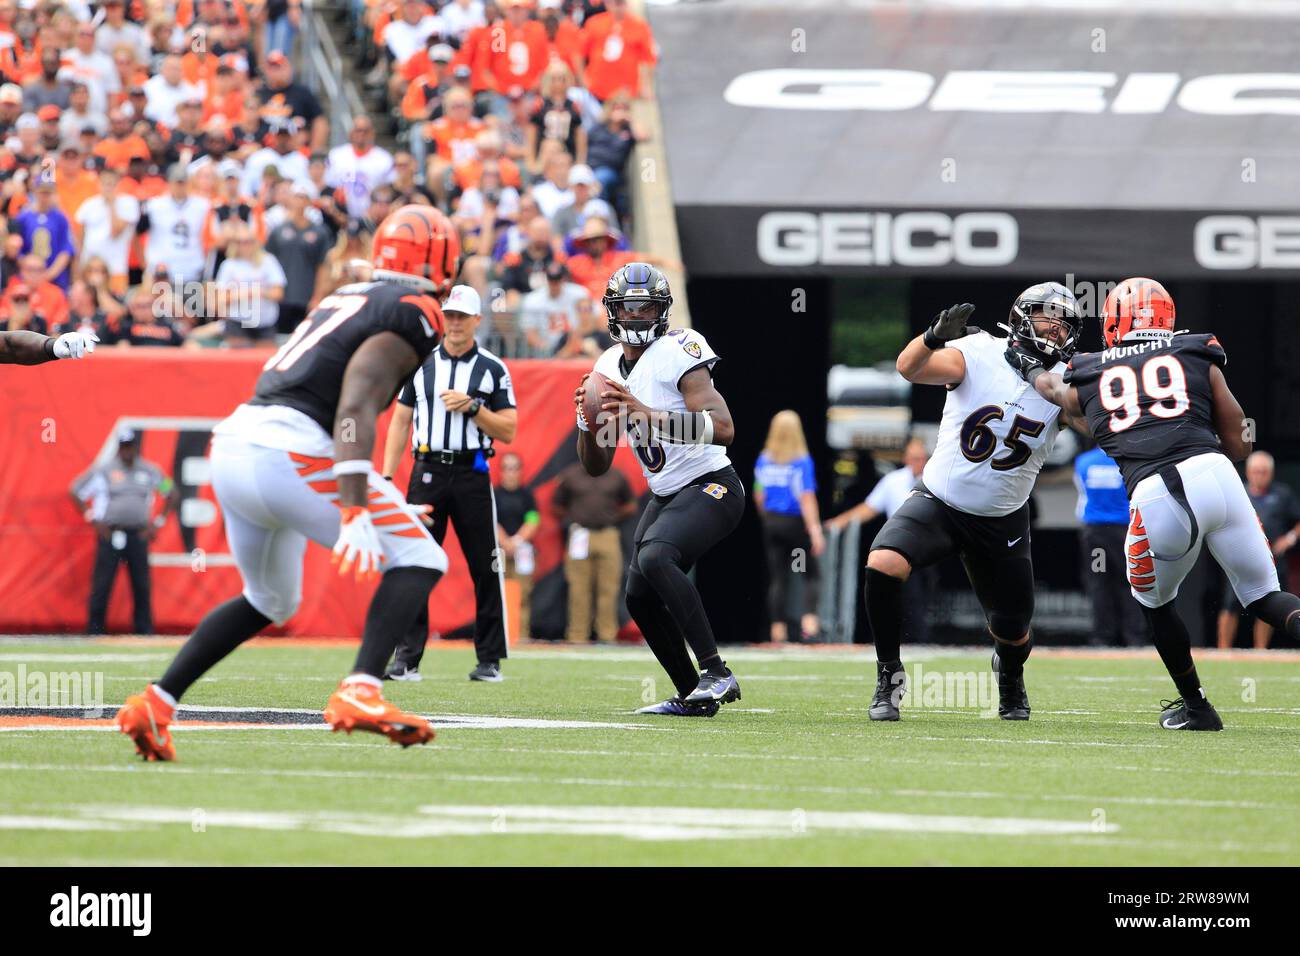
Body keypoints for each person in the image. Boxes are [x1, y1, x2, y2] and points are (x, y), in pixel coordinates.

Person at [115, 205, 460, 761]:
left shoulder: (345, 297)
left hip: (237, 443)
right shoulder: (414, 309)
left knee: (270, 597)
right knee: (421, 557)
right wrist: (353, 507)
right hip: (291, 451)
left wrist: (376, 496)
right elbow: (354, 403)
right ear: (443, 260)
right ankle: (362, 691)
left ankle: (155, 704)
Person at [1015, 277, 1300, 730]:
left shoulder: (1092, 368)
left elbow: (1060, 395)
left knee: (1155, 603)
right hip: (1217, 473)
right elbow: (1240, 439)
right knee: (1266, 597)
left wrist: (1029, 368)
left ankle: (1197, 706)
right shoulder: (1195, 351)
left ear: (1115, 322)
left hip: (1157, 489)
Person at [866, 283, 1080, 722]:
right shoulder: (980, 350)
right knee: (883, 562)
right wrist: (931, 337)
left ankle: (1010, 678)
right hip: (941, 501)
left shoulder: (1065, 380)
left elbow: (1095, 424)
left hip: (1001, 518)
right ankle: (889, 675)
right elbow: (910, 368)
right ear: (1022, 316)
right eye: (1047, 315)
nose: (1056, 326)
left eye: (1064, 321)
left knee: (1013, 631)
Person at [574, 263, 742, 716]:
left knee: (654, 557)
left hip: (712, 485)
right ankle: (693, 694)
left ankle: (716, 671)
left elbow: (724, 429)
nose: (635, 316)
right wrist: (588, 426)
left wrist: (647, 413)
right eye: (627, 308)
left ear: (661, 310)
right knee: (638, 595)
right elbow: (596, 465)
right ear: (612, 312)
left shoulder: (679, 350)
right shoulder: (606, 366)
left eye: (645, 306)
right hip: (666, 492)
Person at [380, 284, 518, 683]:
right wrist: (389, 477)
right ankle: (407, 658)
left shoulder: (492, 368)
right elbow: (400, 421)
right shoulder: (420, 363)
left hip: (472, 471)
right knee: (414, 561)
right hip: (426, 472)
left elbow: (508, 430)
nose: (455, 324)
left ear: (477, 320)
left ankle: (489, 659)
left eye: (462, 317)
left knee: (485, 565)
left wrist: (474, 408)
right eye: (450, 316)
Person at [70, 427, 179, 635]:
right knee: (102, 583)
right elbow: (75, 490)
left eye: (130, 446)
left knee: (141, 584)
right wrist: (92, 518)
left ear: (136, 447)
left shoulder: (150, 471)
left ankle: (144, 631)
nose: (126, 451)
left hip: (138, 534)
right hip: (111, 533)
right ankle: (95, 630)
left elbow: (171, 493)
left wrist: (158, 522)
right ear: (118, 448)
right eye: (123, 447)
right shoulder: (105, 470)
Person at [1216, 451, 1300, 649]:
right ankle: (1222, 649)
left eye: (1263, 472)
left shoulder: (1282, 494)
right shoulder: (1237, 493)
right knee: (1230, 604)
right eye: (1255, 471)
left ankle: (1260, 650)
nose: (1259, 475)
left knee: (1269, 603)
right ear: (1248, 472)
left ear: (1270, 473)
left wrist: (1289, 539)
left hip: (1272, 558)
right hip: (1239, 558)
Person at [753, 410, 825, 644]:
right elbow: (806, 497)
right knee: (808, 573)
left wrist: (768, 518)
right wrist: (815, 531)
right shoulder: (801, 461)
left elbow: (759, 495)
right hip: (795, 526)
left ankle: (778, 630)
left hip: (772, 524)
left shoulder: (764, 459)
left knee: (778, 577)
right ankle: (808, 625)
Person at [552, 459, 636, 645]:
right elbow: (556, 505)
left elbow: (631, 505)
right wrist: (571, 520)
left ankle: (607, 636)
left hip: (608, 533)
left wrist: (613, 517)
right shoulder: (570, 475)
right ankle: (577, 636)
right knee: (578, 588)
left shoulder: (616, 475)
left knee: (609, 588)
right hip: (579, 534)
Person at [1075, 443, 1148, 647]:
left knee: (1099, 583)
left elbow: (1081, 499)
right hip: (1125, 531)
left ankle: (1101, 638)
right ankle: (1134, 637)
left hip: (1096, 533)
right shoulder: (1126, 459)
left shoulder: (1084, 461)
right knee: (1130, 582)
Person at [494, 452, 539, 642]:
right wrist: (505, 542)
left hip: (522, 551)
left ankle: (521, 635)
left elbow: (533, 520)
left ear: (520, 471)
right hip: (498, 550)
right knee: (497, 593)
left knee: (523, 593)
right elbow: (491, 520)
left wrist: (517, 541)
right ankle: (499, 634)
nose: (511, 473)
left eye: (514, 468)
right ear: (502, 471)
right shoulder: (494, 494)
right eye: (507, 468)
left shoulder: (526, 495)